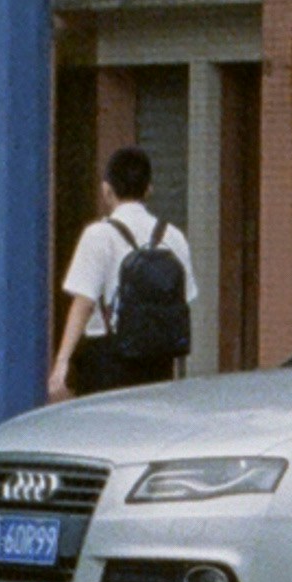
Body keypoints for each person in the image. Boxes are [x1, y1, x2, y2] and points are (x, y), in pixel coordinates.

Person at [53, 150, 195, 398]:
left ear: (106, 190)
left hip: (108, 359)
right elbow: (187, 298)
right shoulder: (173, 236)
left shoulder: (98, 235)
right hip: (159, 363)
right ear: (149, 189)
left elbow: (83, 303)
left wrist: (62, 362)